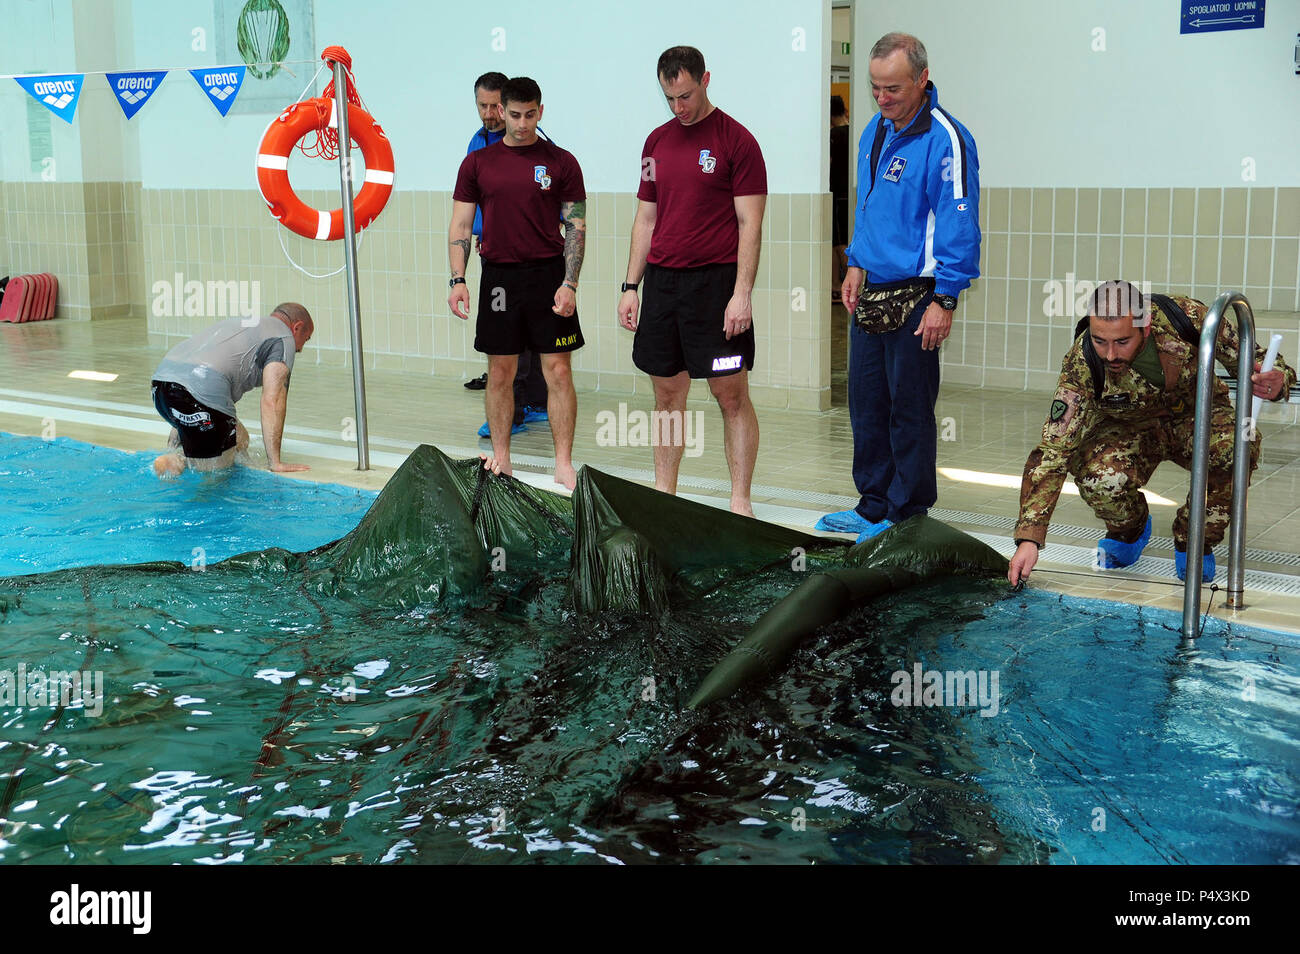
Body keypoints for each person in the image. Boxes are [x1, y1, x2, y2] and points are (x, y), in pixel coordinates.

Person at [1008, 281, 1294, 586]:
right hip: (1129, 427)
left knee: (1238, 447)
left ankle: (1193, 540)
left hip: (1197, 416)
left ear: (1145, 327)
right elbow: (1053, 450)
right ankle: (1130, 530)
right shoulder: (1083, 360)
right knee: (1098, 476)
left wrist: (1277, 380)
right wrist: (1030, 537)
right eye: (1100, 341)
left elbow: (1260, 361)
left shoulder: (1187, 319)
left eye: (1121, 341)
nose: (1109, 354)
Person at [816, 32, 980, 542]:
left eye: (893, 88)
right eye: (875, 88)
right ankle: (872, 507)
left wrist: (945, 298)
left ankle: (907, 516)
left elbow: (959, 221)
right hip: (872, 290)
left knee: (907, 409)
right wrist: (856, 263)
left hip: (919, 293)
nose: (882, 99)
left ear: (922, 79)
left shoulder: (945, 139)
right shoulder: (875, 131)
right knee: (866, 404)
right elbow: (868, 205)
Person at [617, 45, 767, 516]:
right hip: (663, 285)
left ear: (705, 79)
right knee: (666, 394)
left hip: (716, 286)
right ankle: (666, 496)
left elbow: (750, 224)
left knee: (730, 394)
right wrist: (630, 286)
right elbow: (646, 218)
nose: (679, 107)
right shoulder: (656, 143)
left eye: (685, 95)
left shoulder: (737, 141)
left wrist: (741, 294)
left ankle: (739, 502)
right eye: (669, 98)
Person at [447, 76, 586, 490]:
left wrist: (570, 283)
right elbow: (459, 223)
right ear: (501, 111)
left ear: (540, 111)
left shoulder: (562, 162)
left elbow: (576, 227)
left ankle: (563, 463)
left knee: (558, 372)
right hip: (499, 277)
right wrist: (458, 279)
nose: (522, 124)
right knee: (500, 371)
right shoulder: (478, 164)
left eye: (530, 115)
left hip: (547, 275)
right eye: (513, 115)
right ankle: (503, 458)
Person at [462, 71, 550, 433]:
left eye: (494, 106)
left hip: (536, 259)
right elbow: (473, 200)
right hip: (495, 255)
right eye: (481, 106)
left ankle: (526, 406)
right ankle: (518, 407)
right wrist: (482, 233)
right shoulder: (478, 144)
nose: (489, 113)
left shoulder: (537, 147)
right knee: (506, 337)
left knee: (530, 335)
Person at [150, 303, 314, 477]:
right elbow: (273, 400)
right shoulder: (284, 338)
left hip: (160, 388)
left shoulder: (245, 324)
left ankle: (180, 452)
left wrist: (181, 428)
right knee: (218, 474)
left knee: (241, 440)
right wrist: (275, 462)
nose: (301, 349)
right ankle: (178, 459)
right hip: (198, 392)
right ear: (297, 327)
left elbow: (187, 393)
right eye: (306, 339)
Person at [829, 94, 850, 300]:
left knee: (837, 242)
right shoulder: (854, 132)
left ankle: (839, 285)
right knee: (846, 237)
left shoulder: (833, 135)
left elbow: (829, 164)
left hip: (836, 193)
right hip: (851, 193)